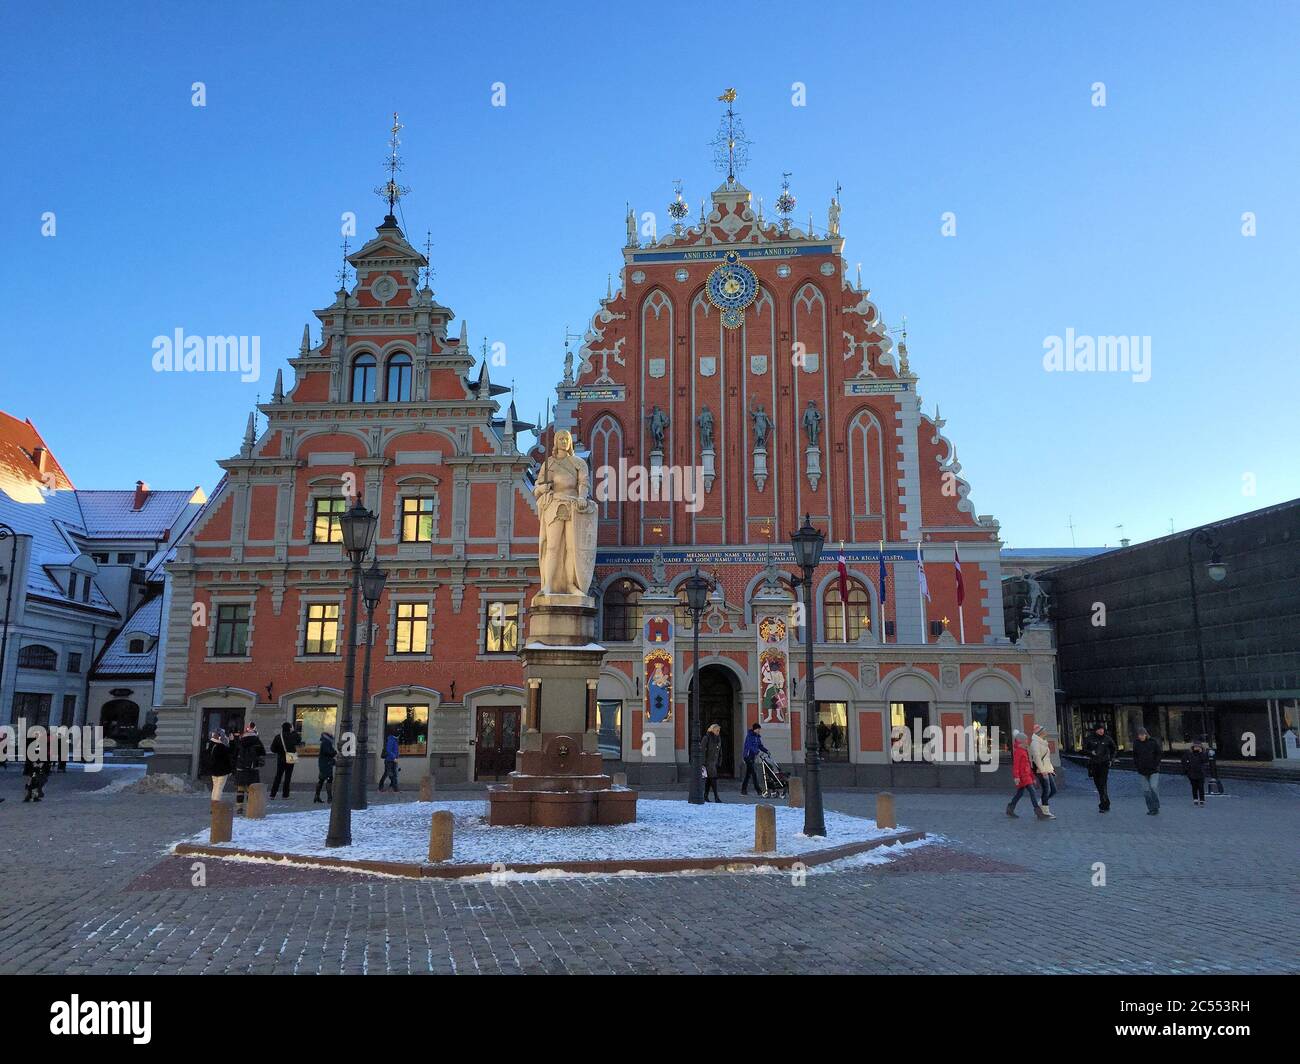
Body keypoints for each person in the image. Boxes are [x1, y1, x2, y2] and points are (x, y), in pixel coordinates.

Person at [1006, 731, 1052, 819]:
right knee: (1032, 792)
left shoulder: (1024, 750)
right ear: (1022, 741)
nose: (1027, 741)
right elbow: (1016, 765)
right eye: (1026, 740)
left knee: (1019, 794)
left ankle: (1010, 808)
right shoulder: (1018, 752)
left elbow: (1028, 765)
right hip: (1023, 777)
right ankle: (1038, 812)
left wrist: (1032, 777)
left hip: (1026, 776)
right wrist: (1016, 777)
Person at [232, 723, 266, 813]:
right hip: (253, 768)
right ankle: (250, 807)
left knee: (240, 789)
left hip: (241, 768)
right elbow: (262, 753)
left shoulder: (241, 740)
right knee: (251, 789)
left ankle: (239, 807)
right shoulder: (257, 741)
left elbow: (235, 753)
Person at [1083, 724, 1117, 812]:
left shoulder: (1107, 738)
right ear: (1095, 730)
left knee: (1102, 783)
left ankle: (1103, 805)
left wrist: (1111, 759)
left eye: (1102, 729)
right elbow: (1083, 750)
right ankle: (1106, 802)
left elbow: (1114, 749)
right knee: (1098, 784)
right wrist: (1091, 752)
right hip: (1094, 764)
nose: (1101, 731)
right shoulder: (1090, 738)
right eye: (1099, 729)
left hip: (1104, 764)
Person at [1132, 725, 1163, 815]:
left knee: (1153, 787)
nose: (1141, 736)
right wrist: (1137, 765)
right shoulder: (1136, 743)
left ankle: (1156, 806)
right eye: (1139, 735)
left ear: (1146, 734)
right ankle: (1150, 808)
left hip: (1154, 769)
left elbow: (1159, 753)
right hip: (1142, 770)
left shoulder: (1153, 742)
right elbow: (1135, 755)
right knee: (1146, 790)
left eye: (1142, 735)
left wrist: (1156, 763)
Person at [1029, 724, 1057, 817]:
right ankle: (1045, 811)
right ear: (1040, 732)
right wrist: (1042, 770)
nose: (1046, 732)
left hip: (1047, 769)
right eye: (1044, 730)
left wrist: (1051, 769)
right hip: (1041, 770)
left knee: (1053, 790)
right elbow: (1037, 758)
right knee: (1047, 790)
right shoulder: (1035, 743)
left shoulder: (1043, 742)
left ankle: (1041, 803)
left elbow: (1046, 758)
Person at [269, 721, 298, 799]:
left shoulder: (278, 737)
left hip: (281, 757)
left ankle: (273, 794)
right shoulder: (293, 736)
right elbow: (298, 740)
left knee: (278, 776)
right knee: (288, 777)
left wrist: (280, 751)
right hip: (291, 756)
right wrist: (294, 731)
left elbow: (272, 749)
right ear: (290, 728)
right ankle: (285, 795)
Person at [740, 723, 768, 796]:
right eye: (758, 729)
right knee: (754, 773)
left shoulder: (757, 737)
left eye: (759, 729)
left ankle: (743, 790)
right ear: (755, 729)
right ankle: (758, 790)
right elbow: (750, 746)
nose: (759, 731)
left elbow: (760, 746)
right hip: (747, 756)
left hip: (752, 757)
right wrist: (757, 752)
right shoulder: (750, 736)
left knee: (748, 774)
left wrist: (766, 751)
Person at [1182, 739, 1210, 806]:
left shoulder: (1203, 753)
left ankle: (1202, 800)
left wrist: (1200, 753)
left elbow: (1205, 760)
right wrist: (1187, 769)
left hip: (1200, 772)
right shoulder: (1189, 753)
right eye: (1195, 746)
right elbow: (1184, 761)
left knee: (1201, 786)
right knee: (1194, 786)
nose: (1197, 748)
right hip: (1192, 772)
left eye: (1198, 747)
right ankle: (1195, 799)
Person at [208, 729, 233, 800]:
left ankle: (213, 804)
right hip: (222, 771)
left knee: (215, 787)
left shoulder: (211, 745)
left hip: (213, 770)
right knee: (219, 788)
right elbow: (228, 757)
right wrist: (232, 741)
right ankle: (216, 804)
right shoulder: (222, 747)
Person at [701, 722, 723, 802]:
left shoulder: (718, 738)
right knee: (713, 779)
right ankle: (716, 797)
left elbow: (720, 750)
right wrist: (703, 763)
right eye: (717, 730)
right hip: (708, 762)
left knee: (709, 780)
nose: (718, 732)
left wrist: (720, 760)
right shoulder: (706, 738)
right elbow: (702, 750)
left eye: (719, 731)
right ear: (712, 730)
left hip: (714, 762)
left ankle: (705, 796)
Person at [315, 730, 336, 803]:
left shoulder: (324, 742)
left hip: (323, 763)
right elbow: (329, 752)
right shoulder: (327, 742)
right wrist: (334, 752)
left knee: (321, 779)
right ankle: (330, 798)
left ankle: (316, 796)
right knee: (329, 779)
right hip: (326, 764)